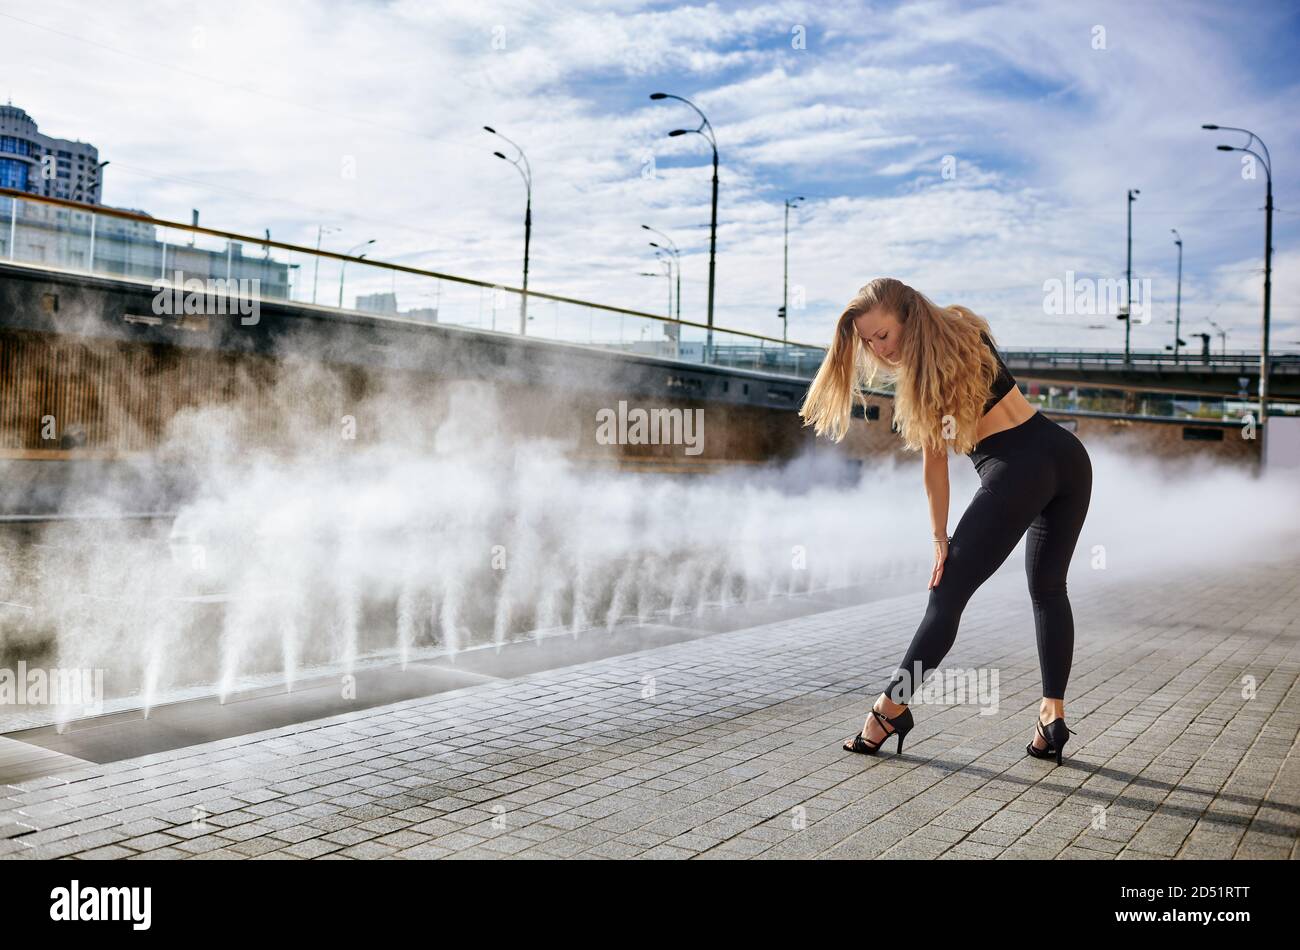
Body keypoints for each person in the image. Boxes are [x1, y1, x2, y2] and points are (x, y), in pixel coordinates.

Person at [798, 277, 1092, 765]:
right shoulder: (964, 328)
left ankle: (888, 710)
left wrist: (940, 540)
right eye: (869, 341)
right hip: (1066, 455)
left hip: (1020, 468)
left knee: (946, 596)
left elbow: (936, 466)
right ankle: (1050, 717)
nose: (878, 348)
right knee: (1048, 589)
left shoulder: (922, 371)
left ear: (908, 317)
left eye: (883, 335)